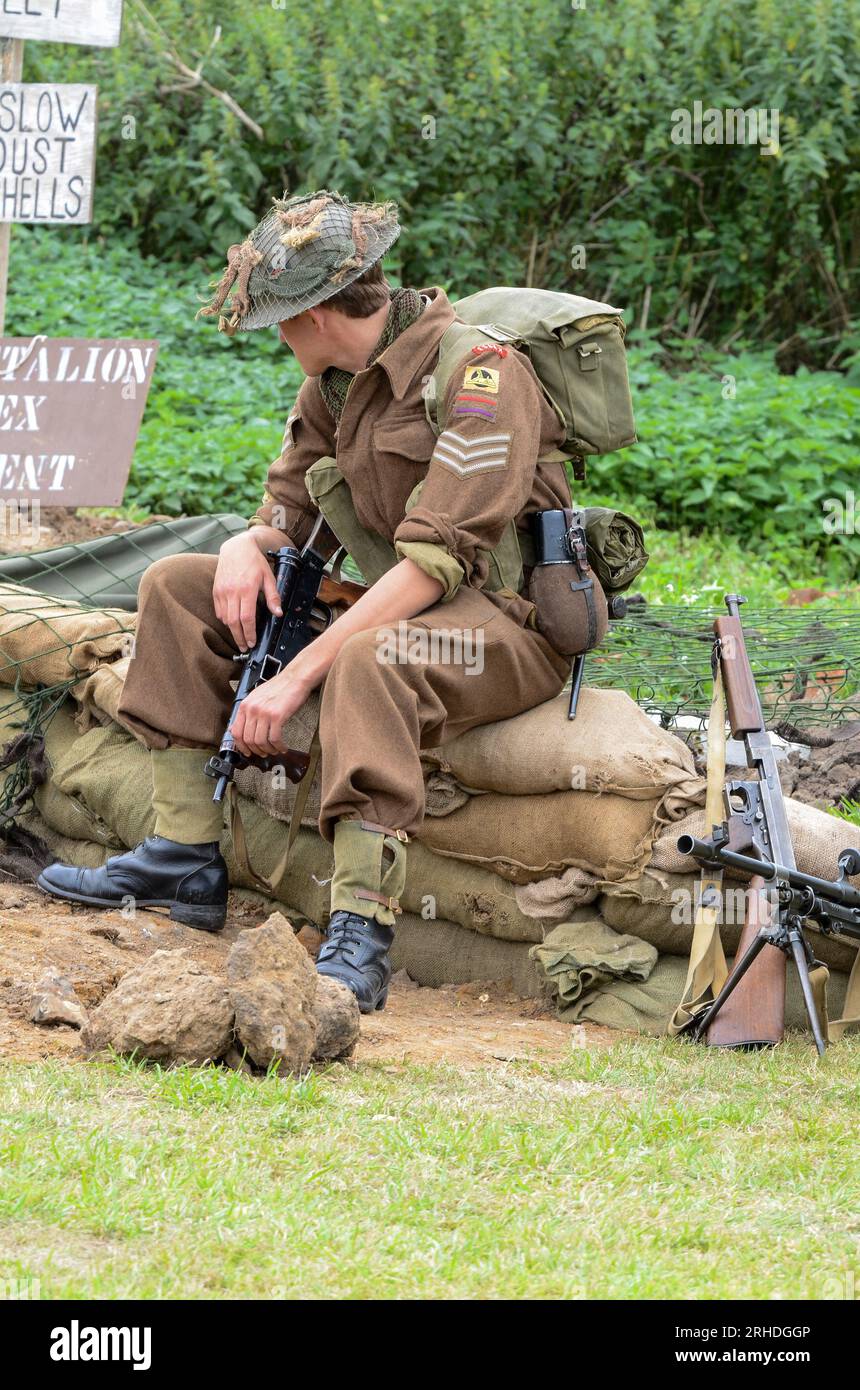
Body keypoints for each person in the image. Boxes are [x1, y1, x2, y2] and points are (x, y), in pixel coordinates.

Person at [38, 190, 572, 1013]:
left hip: (502, 624)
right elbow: (287, 507)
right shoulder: (333, 381)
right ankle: (184, 855)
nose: (275, 336)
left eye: (280, 319)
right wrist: (243, 546)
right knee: (174, 587)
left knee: (369, 658)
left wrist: (293, 680)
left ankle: (361, 926)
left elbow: (435, 564)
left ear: (318, 314)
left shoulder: (480, 375)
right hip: (397, 594)